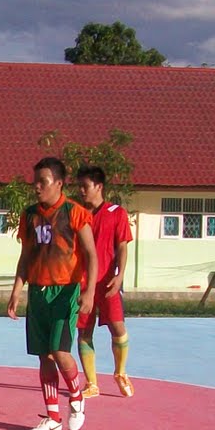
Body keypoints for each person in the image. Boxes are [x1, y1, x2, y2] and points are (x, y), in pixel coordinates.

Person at [7, 157, 98, 430]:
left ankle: (76, 396)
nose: (36, 187)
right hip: (38, 292)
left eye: (42, 182)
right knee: (44, 356)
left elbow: (91, 255)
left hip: (65, 291)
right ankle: (53, 417)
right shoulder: (30, 214)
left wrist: (90, 290)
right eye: (34, 181)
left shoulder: (75, 212)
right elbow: (26, 256)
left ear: (59, 184)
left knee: (60, 351)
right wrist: (16, 290)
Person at [75, 165, 134, 397]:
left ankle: (120, 372)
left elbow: (122, 246)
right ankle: (91, 383)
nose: (81, 190)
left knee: (117, 327)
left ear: (99, 187)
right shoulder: (77, 213)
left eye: (85, 186)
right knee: (84, 331)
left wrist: (119, 275)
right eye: (79, 186)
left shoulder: (117, 213)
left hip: (108, 282)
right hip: (82, 283)